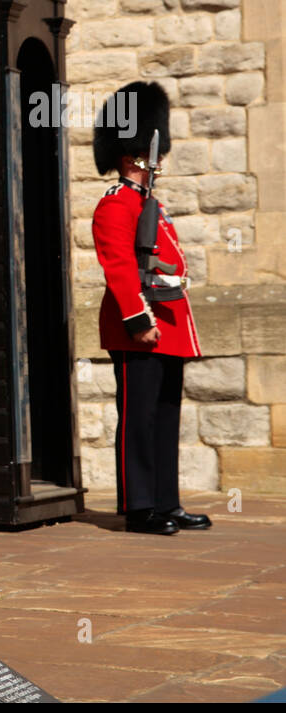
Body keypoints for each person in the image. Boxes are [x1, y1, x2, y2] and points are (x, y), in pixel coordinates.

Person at [91, 81, 210, 535]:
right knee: (138, 418)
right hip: (139, 326)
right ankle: (140, 508)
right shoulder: (117, 203)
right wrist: (138, 320)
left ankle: (166, 501)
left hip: (169, 324)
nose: (156, 161)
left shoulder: (149, 205)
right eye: (149, 152)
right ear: (130, 155)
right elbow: (118, 266)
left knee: (164, 416)